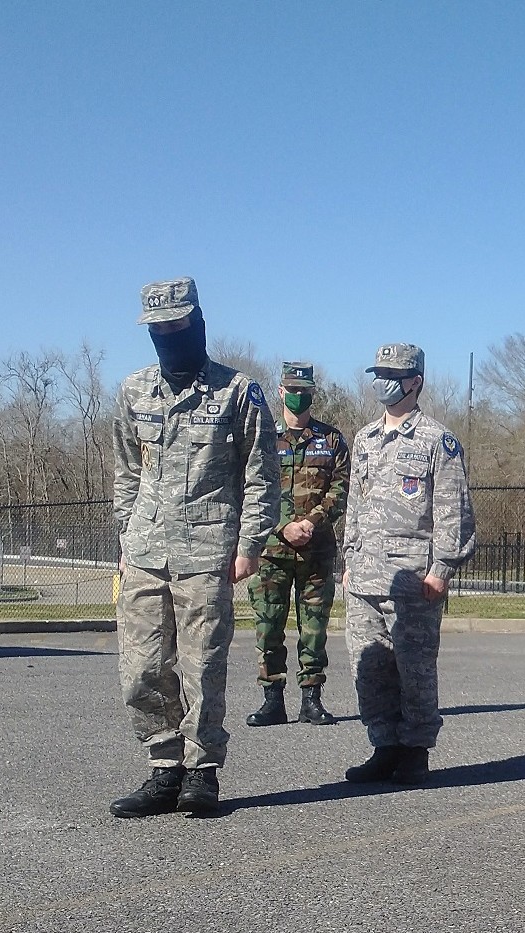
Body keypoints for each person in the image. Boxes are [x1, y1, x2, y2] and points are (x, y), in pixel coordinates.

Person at [109, 277, 280, 817]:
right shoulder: (135, 390)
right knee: (141, 670)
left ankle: (202, 771)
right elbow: (126, 470)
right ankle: (163, 768)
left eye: (176, 325)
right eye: (156, 328)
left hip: (207, 553)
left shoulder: (236, 391)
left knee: (200, 667)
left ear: (197, 321)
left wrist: (250, 543)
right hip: (144, 553)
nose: (166, 335)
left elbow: (262, 476)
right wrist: (125, 534)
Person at [342, 343, 476, 786]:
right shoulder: (364, 438)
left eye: (392, 374)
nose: (382, 382)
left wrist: (442, 569)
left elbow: (453, 511)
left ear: (415, 381)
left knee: (414, 667)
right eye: (377, 373)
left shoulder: (438, 440)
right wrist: (349, 557)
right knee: (370, 665)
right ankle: (384, 746)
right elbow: (354, 505)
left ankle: (416, 750)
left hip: (412, 577)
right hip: (364, 574)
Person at [246, 361, 351, 728]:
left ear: (312, 393)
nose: (298, 395)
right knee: (268, 625)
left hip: (316, 550)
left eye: (305, 389)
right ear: (280, 391)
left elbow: (340, 489)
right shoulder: (261, 438)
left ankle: (312, 698)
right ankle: (271, 699)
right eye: (292, 388)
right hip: (271, 551)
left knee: (314, 628)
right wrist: (282, 526)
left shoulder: (332, 439)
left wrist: (309, 522)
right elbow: (251, 489)